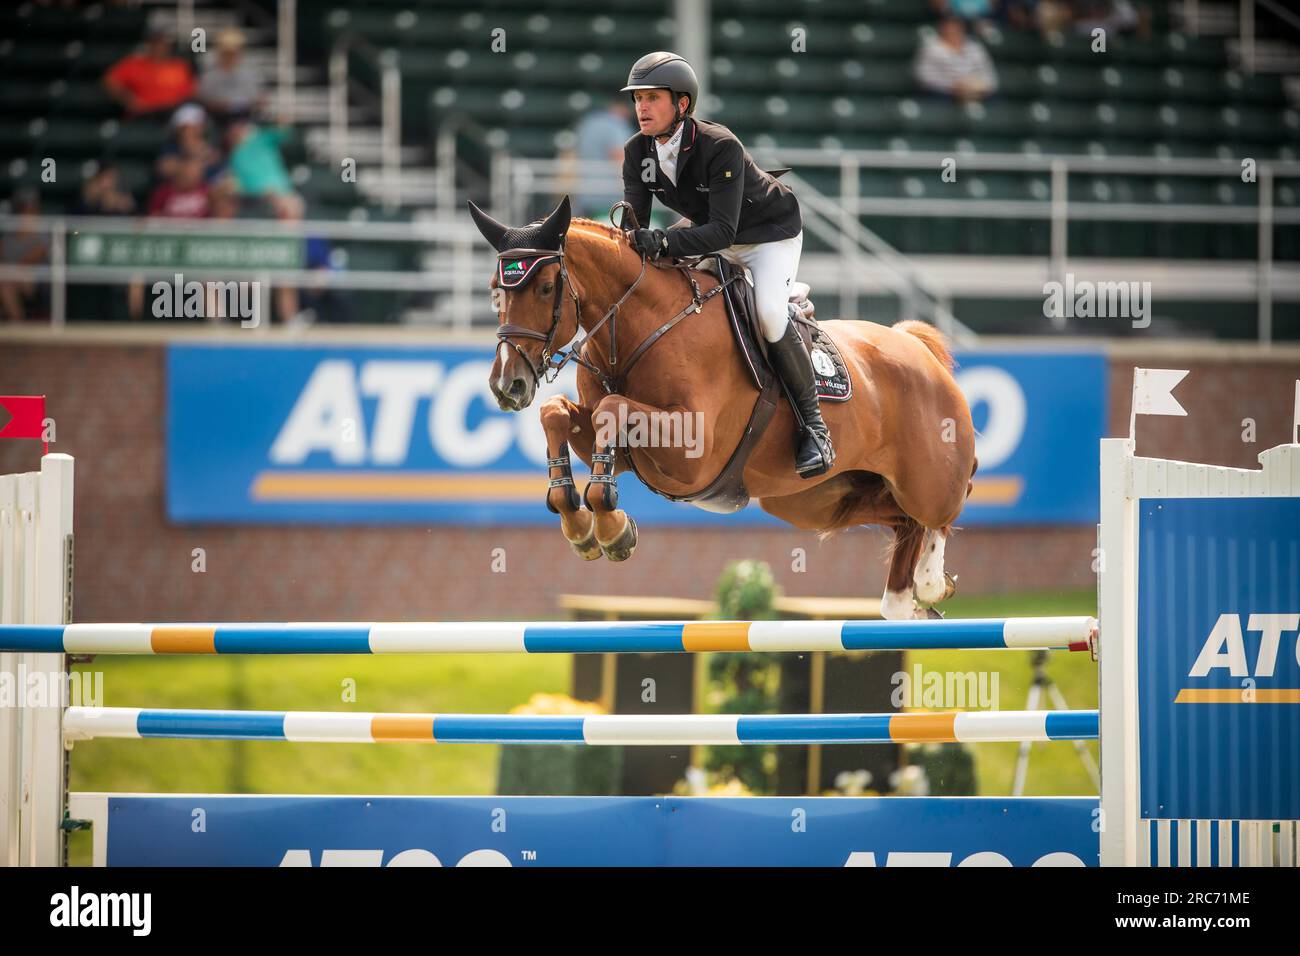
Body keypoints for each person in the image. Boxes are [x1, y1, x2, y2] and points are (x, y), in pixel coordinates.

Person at [619, 52, 833, 478]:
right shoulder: (637, 151)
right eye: (638, 98)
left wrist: (663, 240)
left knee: (769, 315)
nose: (642, 107)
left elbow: (721, 233)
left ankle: (814, 427)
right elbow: (635, 222)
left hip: (768, 236)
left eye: (652, 98)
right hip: (707, 230)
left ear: (682, 105)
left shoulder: (720, 146)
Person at [103, 27, 197, 117]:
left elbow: (191, 93)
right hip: (144, 114)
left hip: (173, 115)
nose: (160, 47)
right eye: (157, 43)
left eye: (164, 43)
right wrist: (128, 100)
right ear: (150, 44)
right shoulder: (134, 64)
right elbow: (110, 81)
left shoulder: (180, 66)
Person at [573, 96, 635, 221]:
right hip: (609, 199)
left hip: (585, 196)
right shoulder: (617, 124)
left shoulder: (588, 122)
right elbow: (620, 158)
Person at [914, 16, 999, 102]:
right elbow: (923, 76)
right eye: (949, 27)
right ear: (942, 28)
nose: (952, 30)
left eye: (956, 27)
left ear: (962, 28)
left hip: (976, 91)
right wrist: (953, 86)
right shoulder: (932, 47)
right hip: (944, 92)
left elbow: (989, 74)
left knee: (995, 99)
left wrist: (983, 86)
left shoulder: (974, 47)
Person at [197, 29, 266, 124]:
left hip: (245, 117)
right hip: (217, 118)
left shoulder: (250, 74)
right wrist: (223, 106)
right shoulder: (210, 75)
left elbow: (259, 99)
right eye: (226, 53)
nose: (230, 57)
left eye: (233, 53)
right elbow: (203, 98)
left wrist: (245, 105)